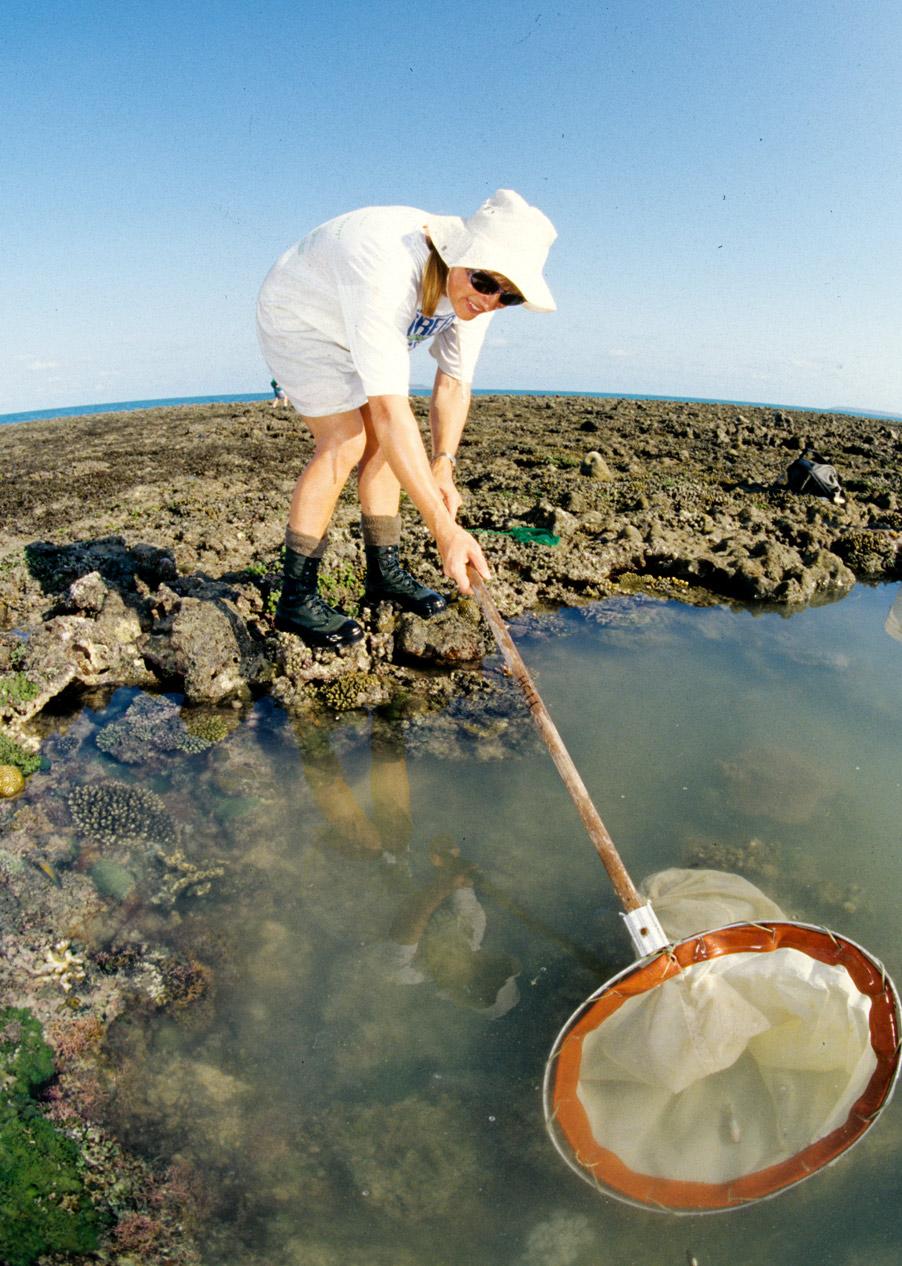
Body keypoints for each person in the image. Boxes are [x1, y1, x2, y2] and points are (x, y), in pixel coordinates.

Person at [256, 188, 557, 649]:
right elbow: (389, 411)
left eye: (510, 296)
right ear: (461, 255)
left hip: (352, 318)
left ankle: (384, 574)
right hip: (301, 316)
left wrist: (443, 464)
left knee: (383, 443)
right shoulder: (390, 266)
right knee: (347, 438)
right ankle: (296, 598)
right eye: (484, 281)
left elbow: (453, 384)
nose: (491, 300)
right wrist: (444, 529)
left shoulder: (480, 297)